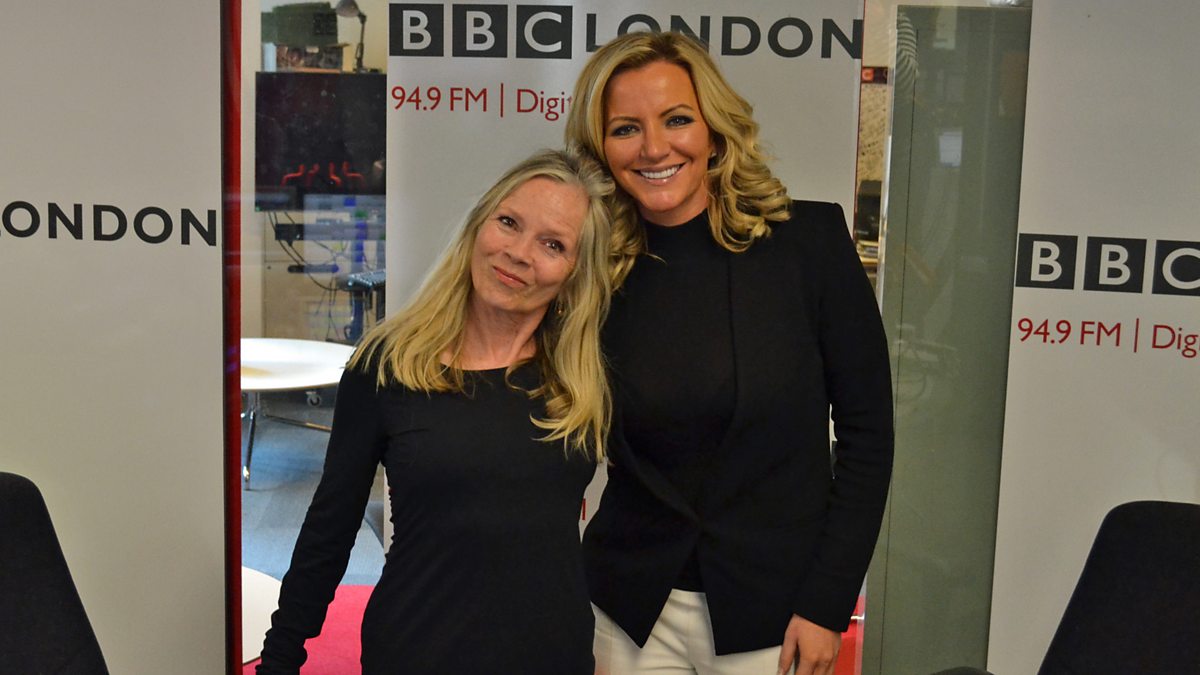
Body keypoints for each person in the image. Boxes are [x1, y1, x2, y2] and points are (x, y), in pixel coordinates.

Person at [564, 31, 894, 675]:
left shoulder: (808, 244)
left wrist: (828, 602)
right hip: (627, 608)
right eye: (626, 128)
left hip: (778, 613)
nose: (654, 148)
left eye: (677, 120)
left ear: (714, 131)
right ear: (600, 149)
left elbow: (868, 436)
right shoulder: (591, 267)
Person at [256, 148, 622, 674]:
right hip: (416, 651)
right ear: (478, 226)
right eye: (509, 222)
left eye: (553, 244)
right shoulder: (389, 364)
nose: (519, 253)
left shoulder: (584, 376)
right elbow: (330, 526)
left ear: (575, 273)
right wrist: (280, 658)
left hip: (551, 656)